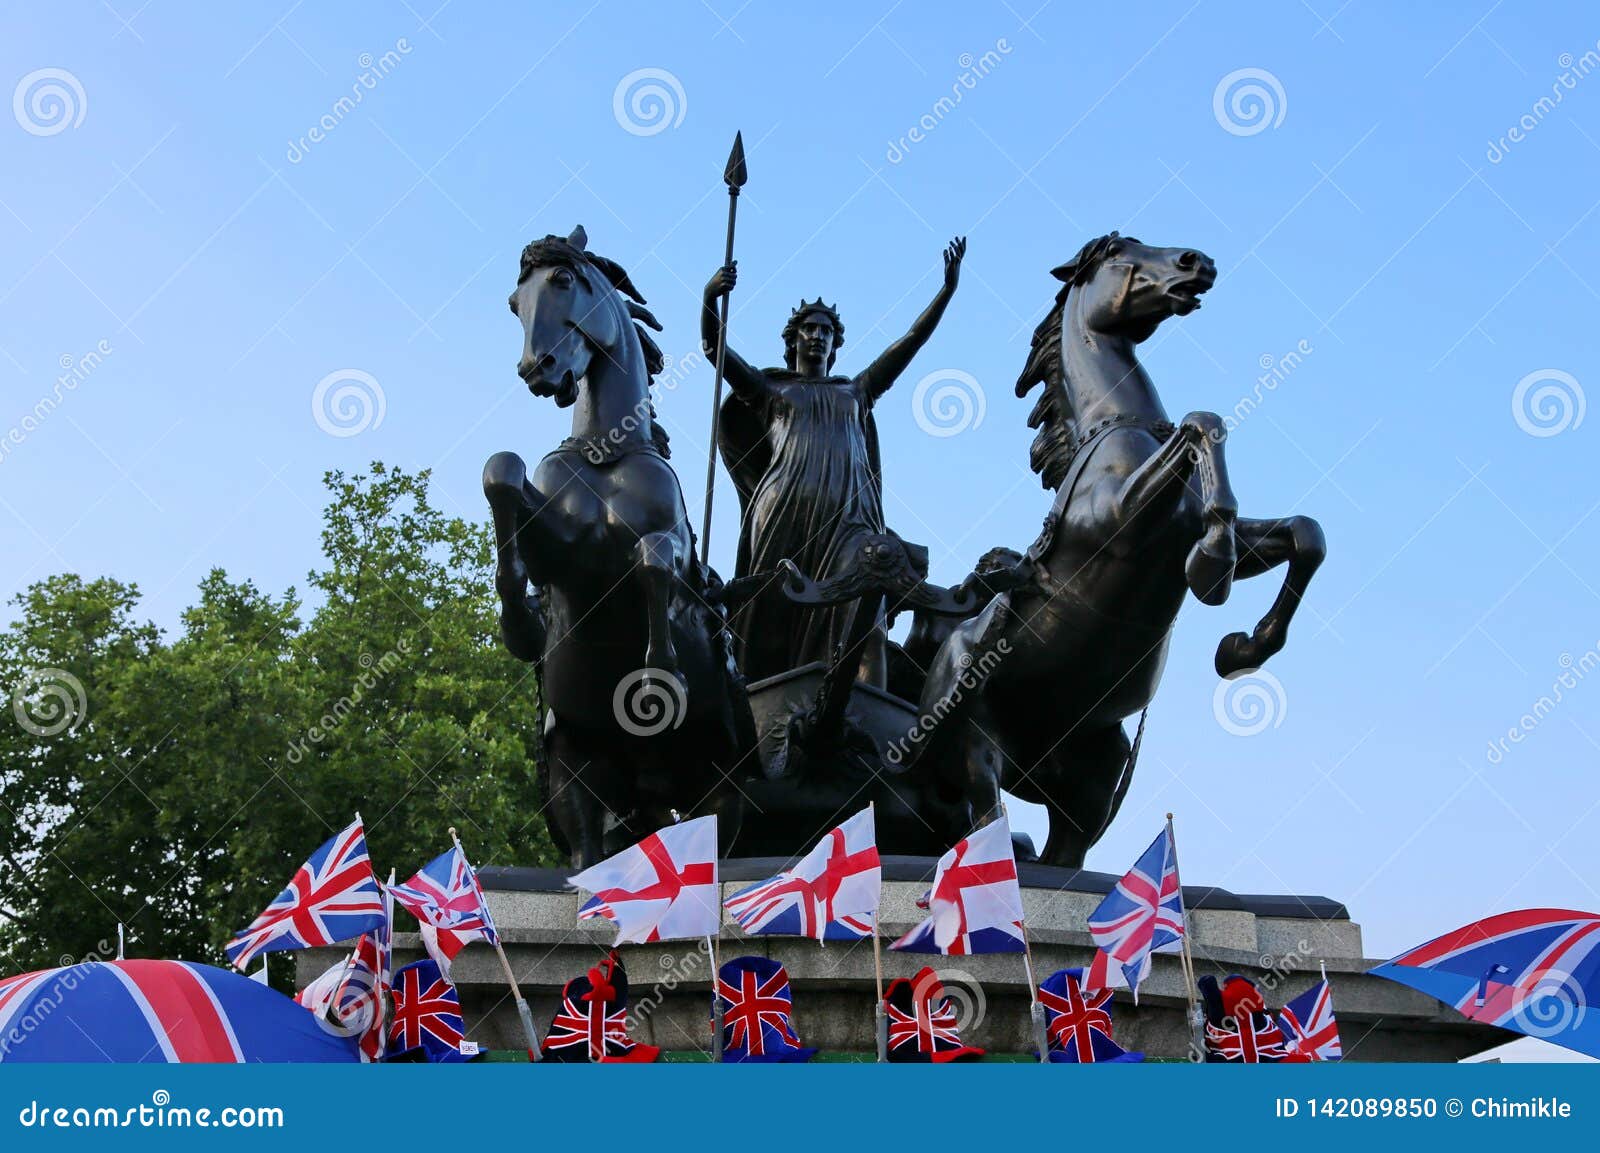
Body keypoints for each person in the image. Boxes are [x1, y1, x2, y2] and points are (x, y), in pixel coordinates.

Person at [703, 238, 966, 685]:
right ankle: (756, 703)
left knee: (868, 616)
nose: (818, 335)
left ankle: (867, 721)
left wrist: (946, 292)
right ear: (793, 339)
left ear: (835, 343)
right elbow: (715, 350)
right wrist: (710, 297)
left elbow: (909, 342)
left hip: (850, 519)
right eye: (810, 328)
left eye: (827, 330)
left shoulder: (857, 391)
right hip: (784, 514)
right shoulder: (774, 392)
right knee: (769, 620)